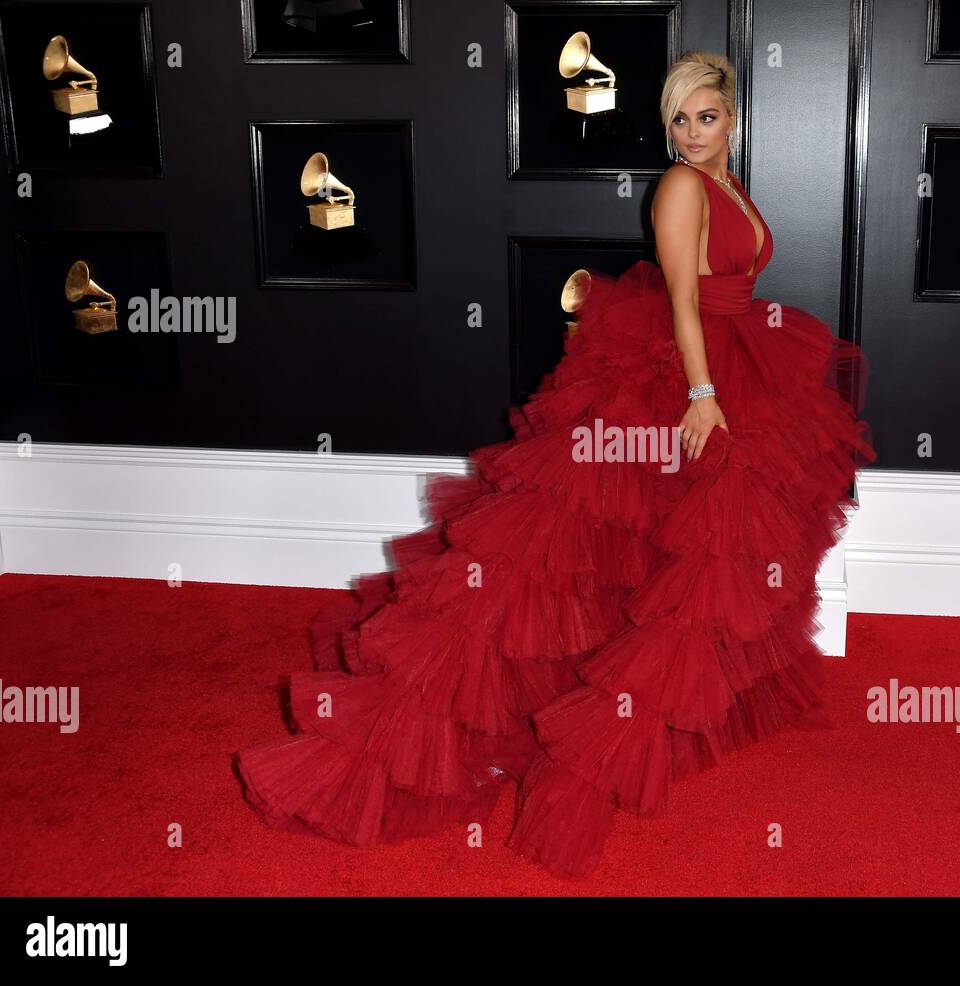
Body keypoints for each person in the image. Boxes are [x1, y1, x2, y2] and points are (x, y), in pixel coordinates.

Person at [235, 49, 876, 879]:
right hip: (693, 371)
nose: (689, 133)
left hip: (737, 360)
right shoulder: (681, 188)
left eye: (704, 116)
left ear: (731, 119)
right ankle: (506, 729)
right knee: (567, 549)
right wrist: (703, 390)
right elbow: (683, 297)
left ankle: (639, 700)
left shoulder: (725, 185)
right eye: (678, 119)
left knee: (683, 552)